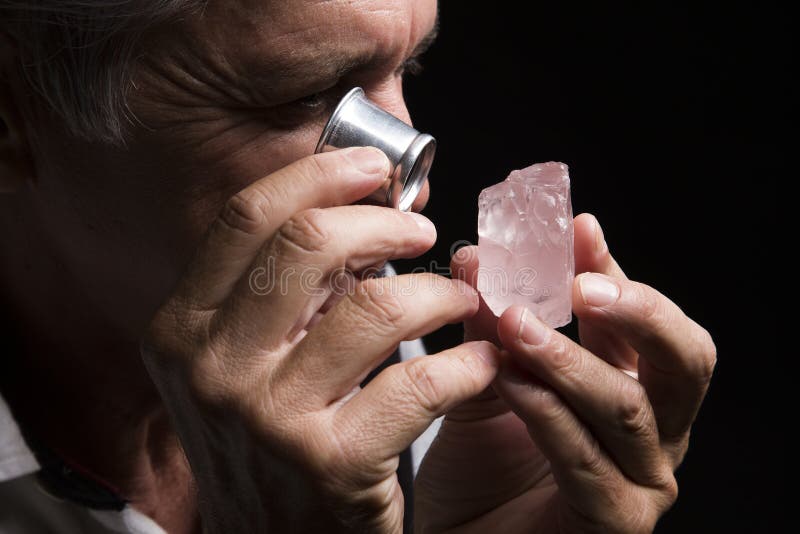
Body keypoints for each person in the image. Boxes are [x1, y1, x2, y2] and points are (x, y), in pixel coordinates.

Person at [0, 1, 717, 532]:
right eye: (306, 96)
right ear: (12, 111)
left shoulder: (383, 355)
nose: (414, 181)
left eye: (405, 66)